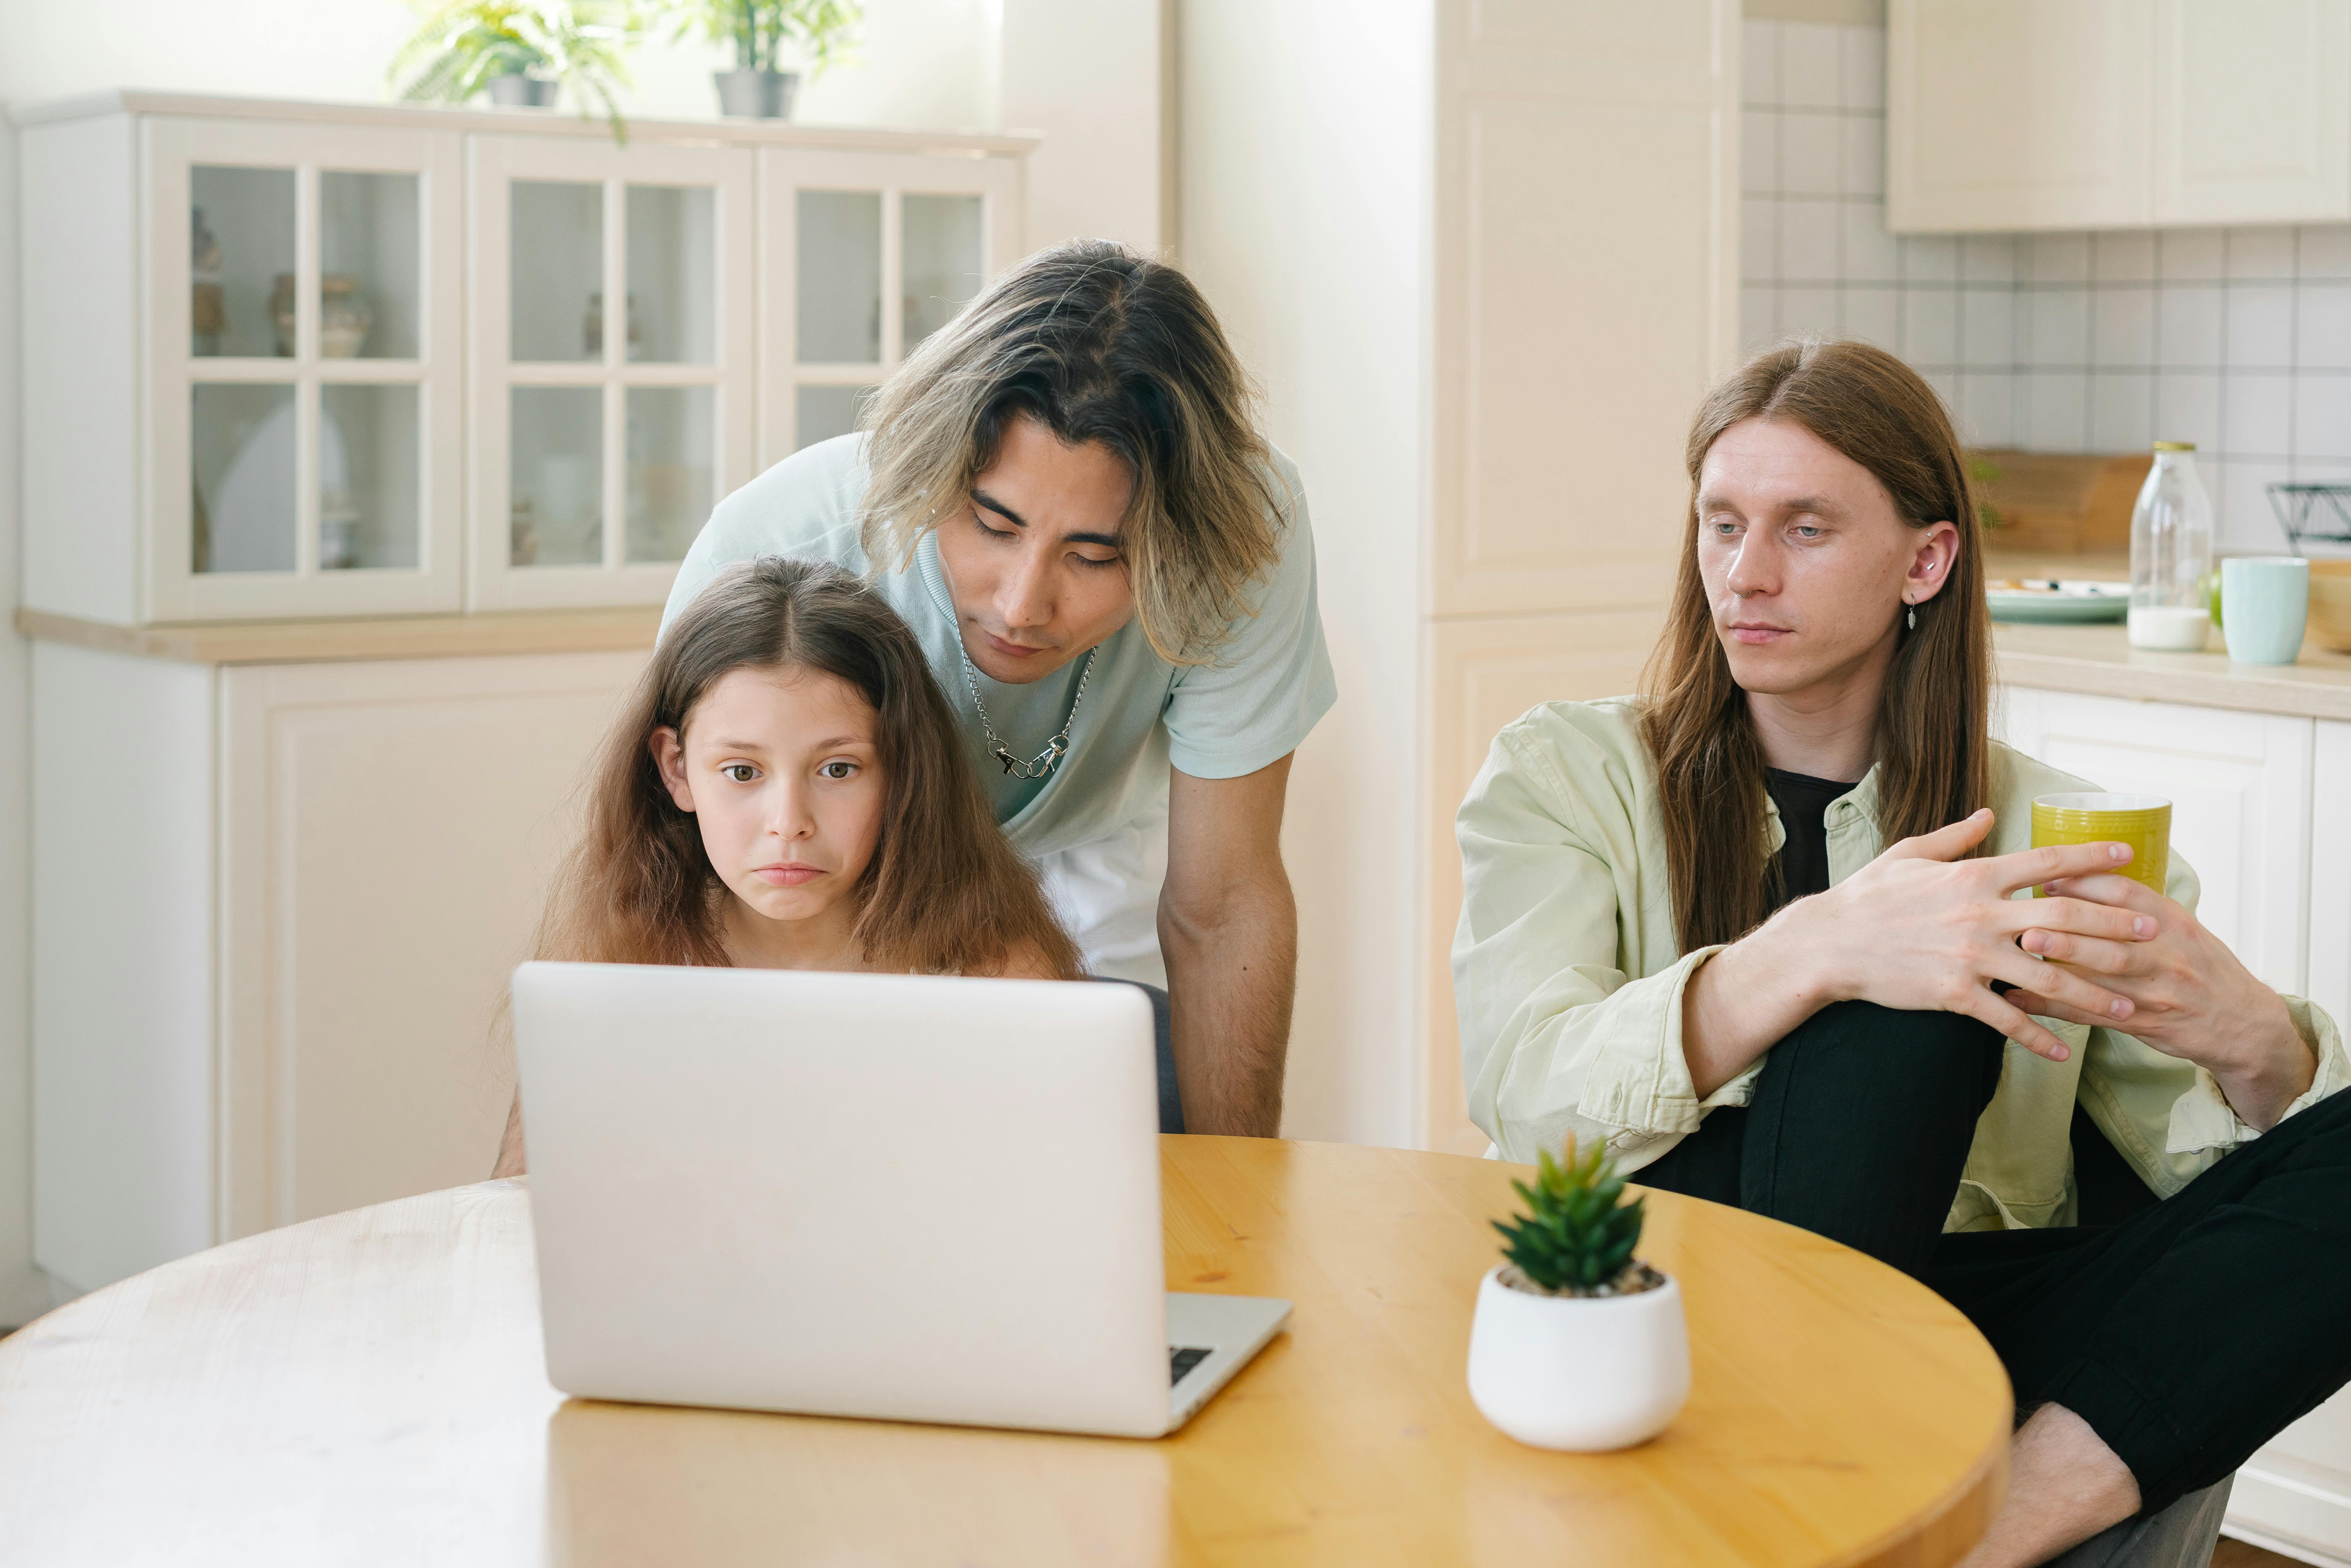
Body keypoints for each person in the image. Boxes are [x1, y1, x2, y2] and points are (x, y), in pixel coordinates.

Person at [1453, 339, 2351, 1568]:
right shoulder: (1564, 772)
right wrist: (1819, 946)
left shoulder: (2054, 832)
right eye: (1722, 525)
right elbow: (1525, 1097)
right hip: (1672, 1319)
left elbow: (2224, 1199)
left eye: (1803, 529)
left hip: (1952, 1333)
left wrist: (2261, 1046)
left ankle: (1977, 1540)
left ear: (1923, 560)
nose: (1744, 574)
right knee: (1925, 962)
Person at [661, 240, 1335, 1136]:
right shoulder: (785, 541)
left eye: (1096, 555)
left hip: (1101, 837)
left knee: (1123, 1118)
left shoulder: (1242, 538)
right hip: (846, 863)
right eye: (992, 525)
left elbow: (1222, 901)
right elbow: (657, 881)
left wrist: (1242, 1206)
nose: (1022, 606)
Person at [493, 557, 1082, 1177]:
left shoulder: (995, 977)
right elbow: (518, 1207)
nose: (789, 822)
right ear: (675, 769)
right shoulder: (615, 965)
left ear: (903, 770)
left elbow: (1060, 1198)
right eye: (742, 773)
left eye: (838, 769)